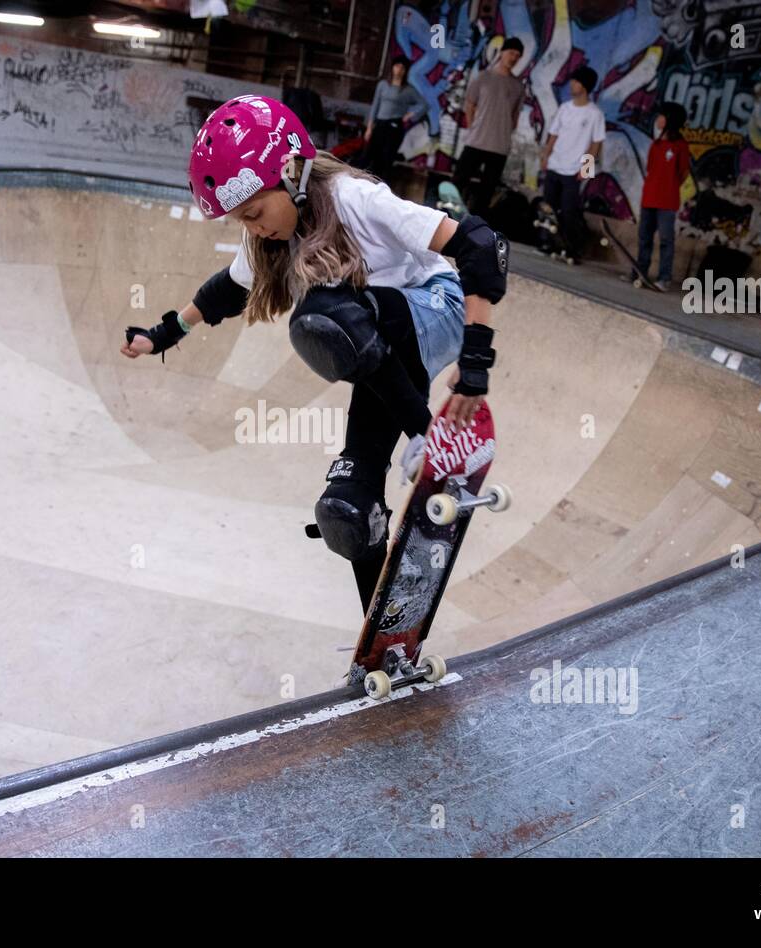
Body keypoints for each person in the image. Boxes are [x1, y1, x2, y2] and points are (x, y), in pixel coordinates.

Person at [121, 96, 508, 612]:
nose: (255, 229)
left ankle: (427, 438)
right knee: (345, 512)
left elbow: (480, 247)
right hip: (386, 356)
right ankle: (388, 632)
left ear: (289, 171)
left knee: (324, 316)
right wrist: (163, 334)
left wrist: (476, 365)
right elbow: (226, 292)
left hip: (435, 307)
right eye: (242, 221)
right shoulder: (268, 237)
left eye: (256, 213)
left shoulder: (353, 198)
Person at [537, 65, 604, 263]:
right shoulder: (564, 108)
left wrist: (586, 169)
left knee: (569, 211)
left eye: (576, 81)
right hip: (555, 165)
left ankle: (571, 247)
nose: (572, 84)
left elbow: (596, 143)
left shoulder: (594, 114)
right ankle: (545, 242)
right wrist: (545, 156)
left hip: (574, 170)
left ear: (584, 86)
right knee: (548, 207)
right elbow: (554, 135)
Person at [454, 37, 525, 214]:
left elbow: (515, 115)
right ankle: (446, 217)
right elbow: (469, 104)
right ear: (502, 52)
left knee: (487, 190)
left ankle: (477, 225)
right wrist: (473, 126)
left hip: (500, 146)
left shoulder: (518, 86)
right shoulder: (483, 77)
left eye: (518, 55)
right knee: (458, 181)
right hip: (476, 141)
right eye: (511, 53)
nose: (513, 58)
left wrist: (506, 130)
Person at [632, 102, 690, 289]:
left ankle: (664, 277)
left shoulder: (680, 146)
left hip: (666, 200)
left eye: (661, 116)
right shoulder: (655, 145)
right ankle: (640, 271)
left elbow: (682, 173)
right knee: (644, 237)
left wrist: (669, 187)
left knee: (666, 239)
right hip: (649, 197)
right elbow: (651, 168)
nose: (657, 119)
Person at [362, 57, 427, 184]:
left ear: (405, 71)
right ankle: (365, 184)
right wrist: (369, 127)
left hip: (394, 126)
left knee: (386, 159)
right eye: (397, 66)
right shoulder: (383, 85)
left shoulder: (408, 90)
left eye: (402, 68)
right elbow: (375, 106)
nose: (399, 70)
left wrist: (410, 115)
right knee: (369, 156)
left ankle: (381, 187)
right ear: (392, 67)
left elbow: (423, 104)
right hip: (380, 124)